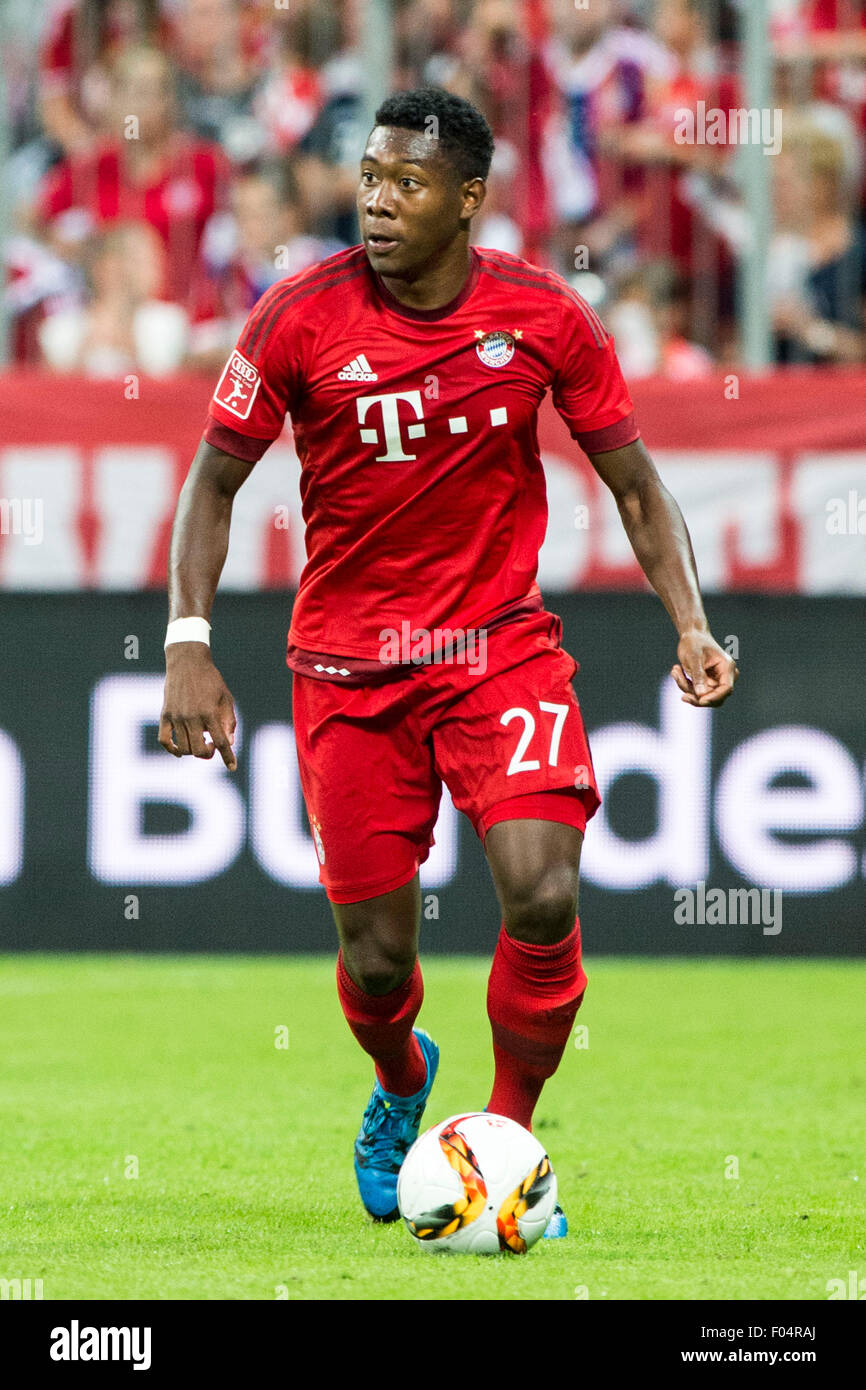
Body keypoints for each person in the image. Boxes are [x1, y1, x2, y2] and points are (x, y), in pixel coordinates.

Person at [158, 88, 738, 1235]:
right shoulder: (296, 317)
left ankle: (502, 1139)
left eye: (406, 183)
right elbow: (212, 481)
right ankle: (398, 1081)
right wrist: (188, 641)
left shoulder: (541, 316)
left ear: (467, 200)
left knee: (542, 888)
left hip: (495, 653)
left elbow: (633, 481)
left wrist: (688, 618)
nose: (376, 199)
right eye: (369, 175)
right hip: (345, 668)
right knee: (375, 966)